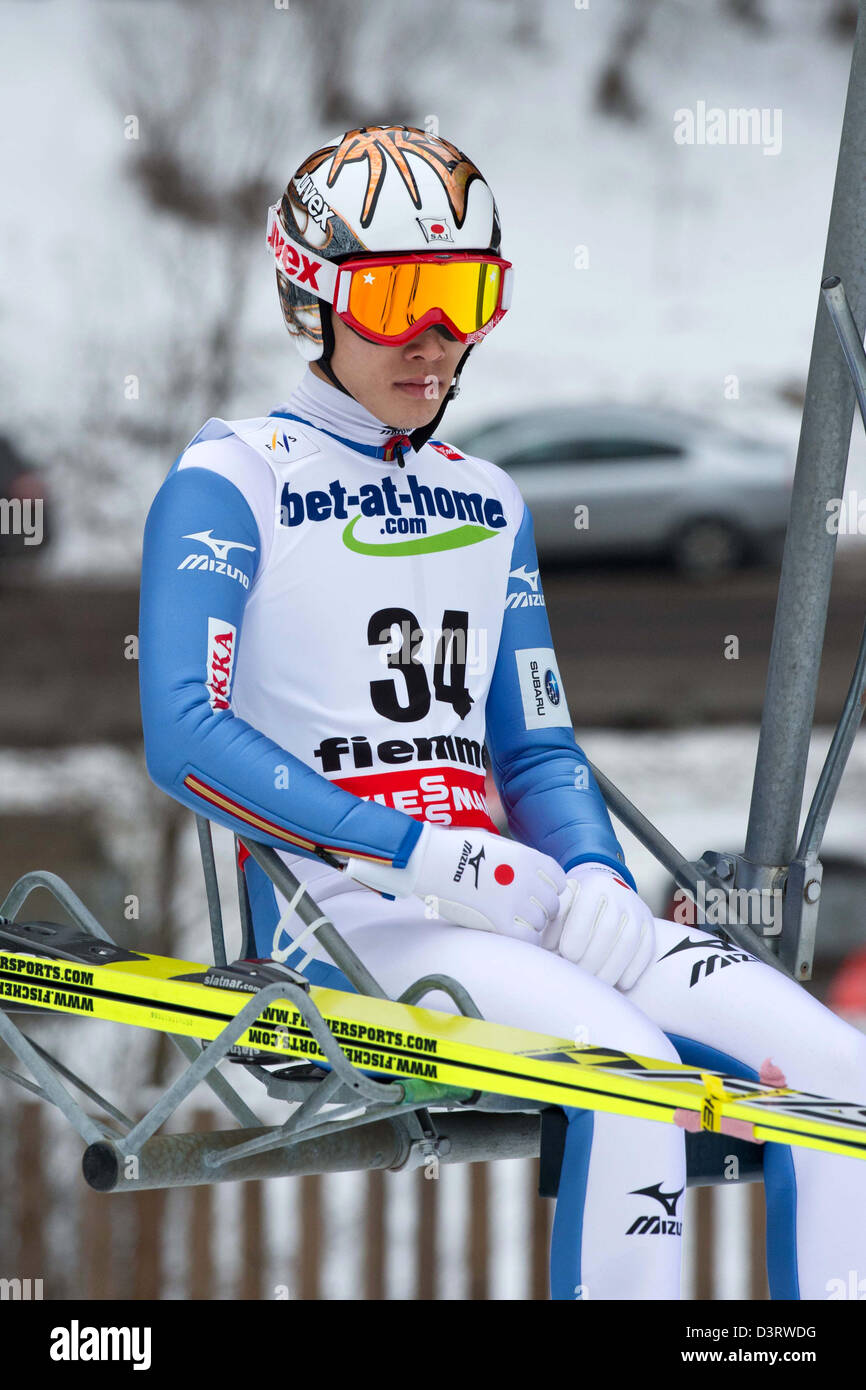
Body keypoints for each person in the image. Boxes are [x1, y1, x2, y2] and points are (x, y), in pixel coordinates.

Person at [138, 124, 866, 1300]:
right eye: (397, 298)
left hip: (508, 901)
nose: (435, 338)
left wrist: (591, 875)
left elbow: (533, 742)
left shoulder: (486, 497)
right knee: (630, 1075)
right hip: (341, 922)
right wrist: (424, 858)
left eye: (466, 296)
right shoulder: (233, 480)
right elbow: (183, 735)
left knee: (839, 1070)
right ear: (308, 299)